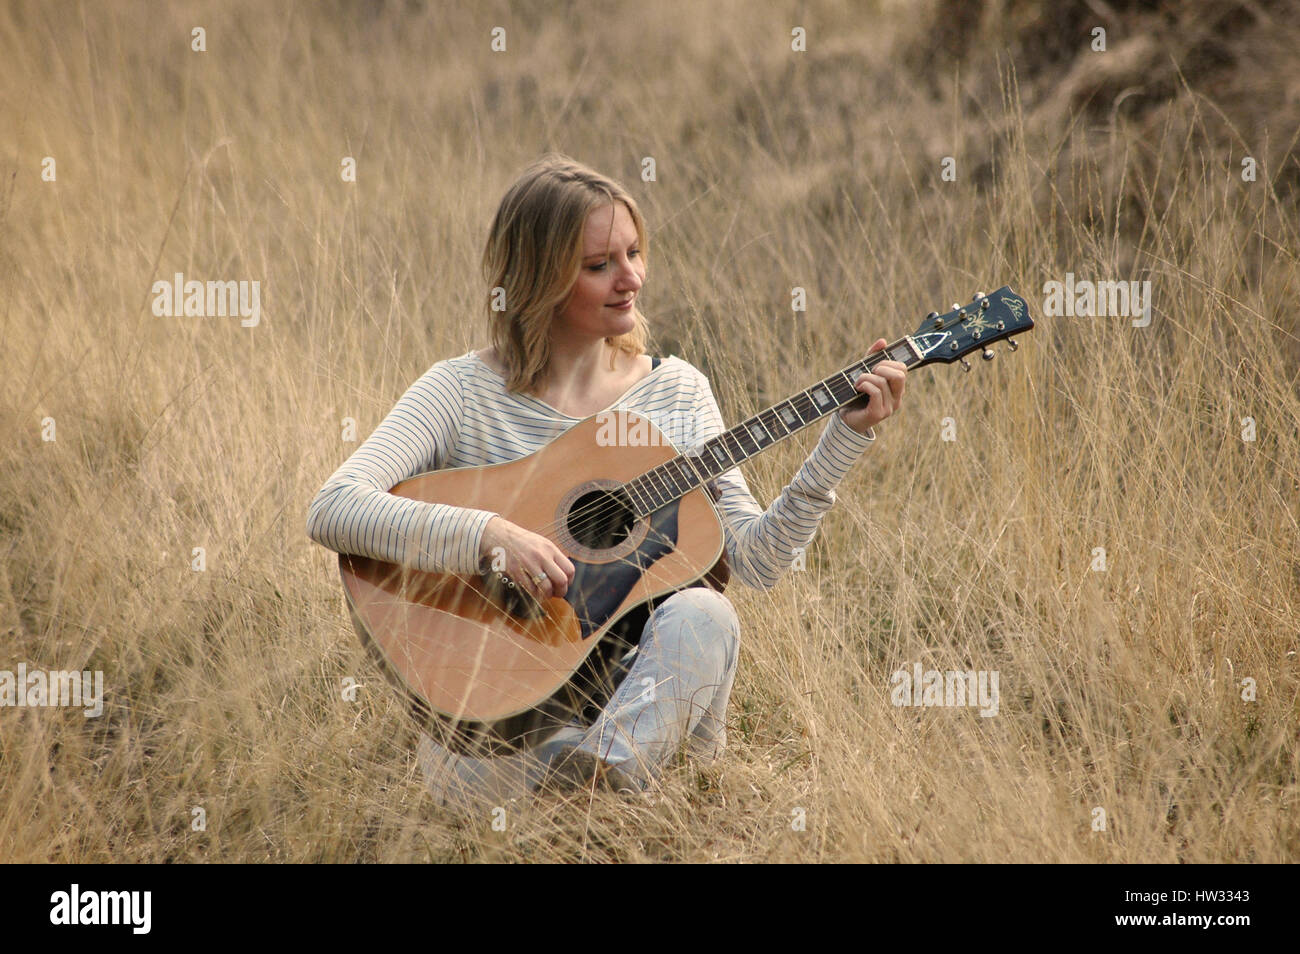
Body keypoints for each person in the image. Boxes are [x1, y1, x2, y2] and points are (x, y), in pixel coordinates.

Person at [306, 153, 906, 807]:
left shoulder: (676, 393)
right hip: (498, 728)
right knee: (510, 782)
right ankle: (596, 795)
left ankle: (599, 783)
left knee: (706, 611)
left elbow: (757, 562)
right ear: (540, 280)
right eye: (600, 266)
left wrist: (844, 438)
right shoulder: (460, 390)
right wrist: (490, 535)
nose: (631, 279)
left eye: (634, 253)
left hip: (646, 717)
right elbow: (334, 507)